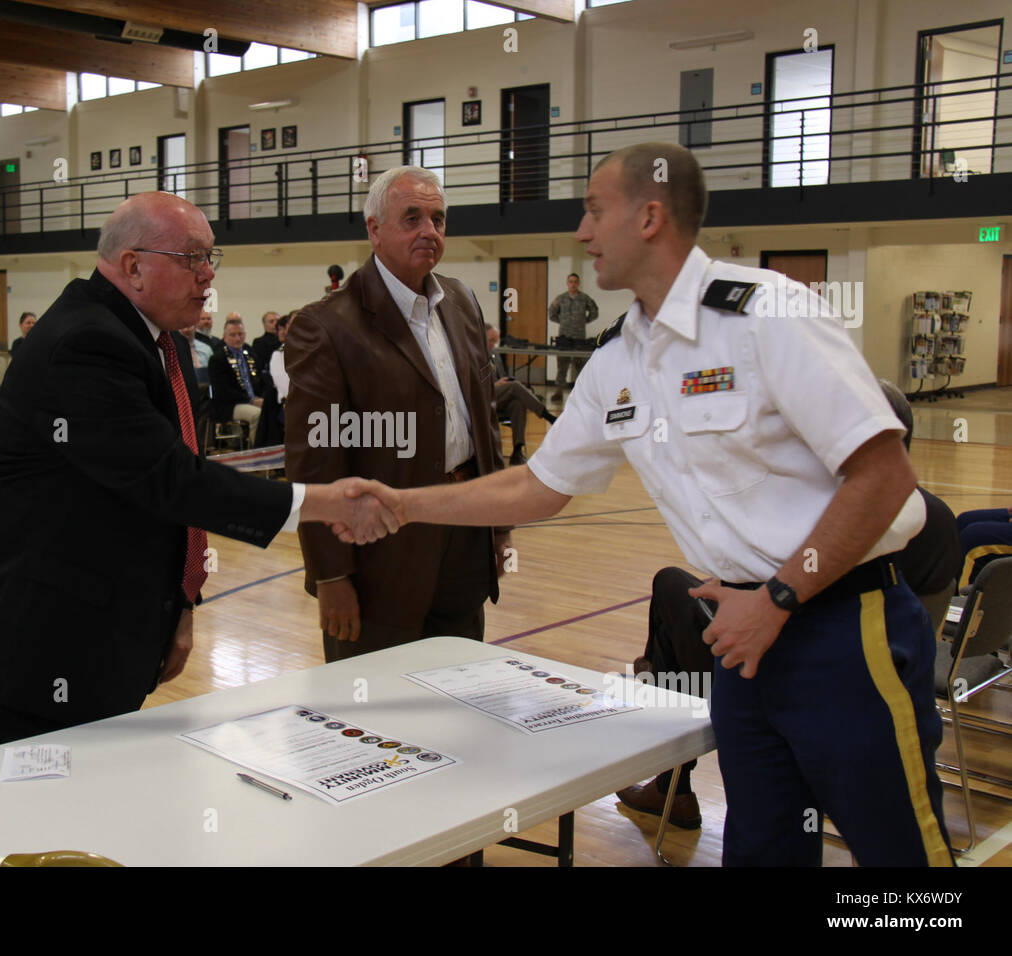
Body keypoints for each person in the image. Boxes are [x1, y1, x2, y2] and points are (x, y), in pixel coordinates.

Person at [348, 143, 951, 868]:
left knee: (901, 862)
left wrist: (781, 598)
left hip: (841, 633)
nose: (582, 231)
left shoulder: (769, 315)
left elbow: (884, 478)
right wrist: (404, 505)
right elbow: (539, 485)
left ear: (650, 216)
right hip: (743, 642)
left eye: (596, 210)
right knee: (763, 850)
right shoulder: (621, 360)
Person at [0, 190, 397, 754]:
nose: (207, 278)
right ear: (133, 266)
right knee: (21, 826)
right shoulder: (86, 343)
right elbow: (172, 480)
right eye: (193, 259)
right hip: (26, 647)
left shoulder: (146, 338)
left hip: (89, 636)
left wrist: (180, 607)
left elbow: (153, 501)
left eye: (210, 260)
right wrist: (321, 502)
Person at [615, 379, 961, 831]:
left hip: (788, 671)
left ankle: (672, 770)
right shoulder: (935, 515)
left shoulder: (840, 521)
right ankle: (668, 694)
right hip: (897, 677)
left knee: (671, 589)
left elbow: (789, 602)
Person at [285, 165, 511, 663]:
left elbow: (484, 423)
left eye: (438, 219)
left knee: (460, 690)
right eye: (412, 218)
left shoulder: (463, 301)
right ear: (374, 229)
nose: (429, 231)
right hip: (378, 557)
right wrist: (331, 575)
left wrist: (499, 527)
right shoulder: (325, 326)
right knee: (378, 718)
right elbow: (313, 464)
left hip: (466, 537)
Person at [485, 325, 557, 464]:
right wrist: (495, 385)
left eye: (496, 341)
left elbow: (503, 376)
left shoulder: (495, 354)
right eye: (491, 340)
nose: (493, 344)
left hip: (497, 398)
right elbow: (472, 384)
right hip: (483, 398)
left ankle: (517, 451)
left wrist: (504, 381)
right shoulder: (474, 355)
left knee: (518, 403)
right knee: (514, 387)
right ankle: (547, 415)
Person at [208, 316, 264, 438]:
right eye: (233, 335)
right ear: (224, 336)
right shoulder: (218, 359)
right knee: (258, 415)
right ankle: (255, 452)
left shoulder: (250, 356)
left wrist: (263, 398)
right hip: (229, 405)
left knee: (274, 409)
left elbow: (260, 381)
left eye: (240, 334)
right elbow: (223, 391)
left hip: (253, 401)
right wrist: (251, 400)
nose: (238, 338)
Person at [548, 271, 599, 403]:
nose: (573, 284)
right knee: (562, 365)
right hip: (564, 336)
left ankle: (580, 393)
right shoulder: (560, 298)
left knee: (580, 366)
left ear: (578, 284)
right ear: (567, 283)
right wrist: (563, 322)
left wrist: (584, 321)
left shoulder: (585, 298)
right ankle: (558, 391)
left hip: (579, 337)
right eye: (570, 281)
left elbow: (594, 312)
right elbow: (551, 313)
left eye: (575, 282)